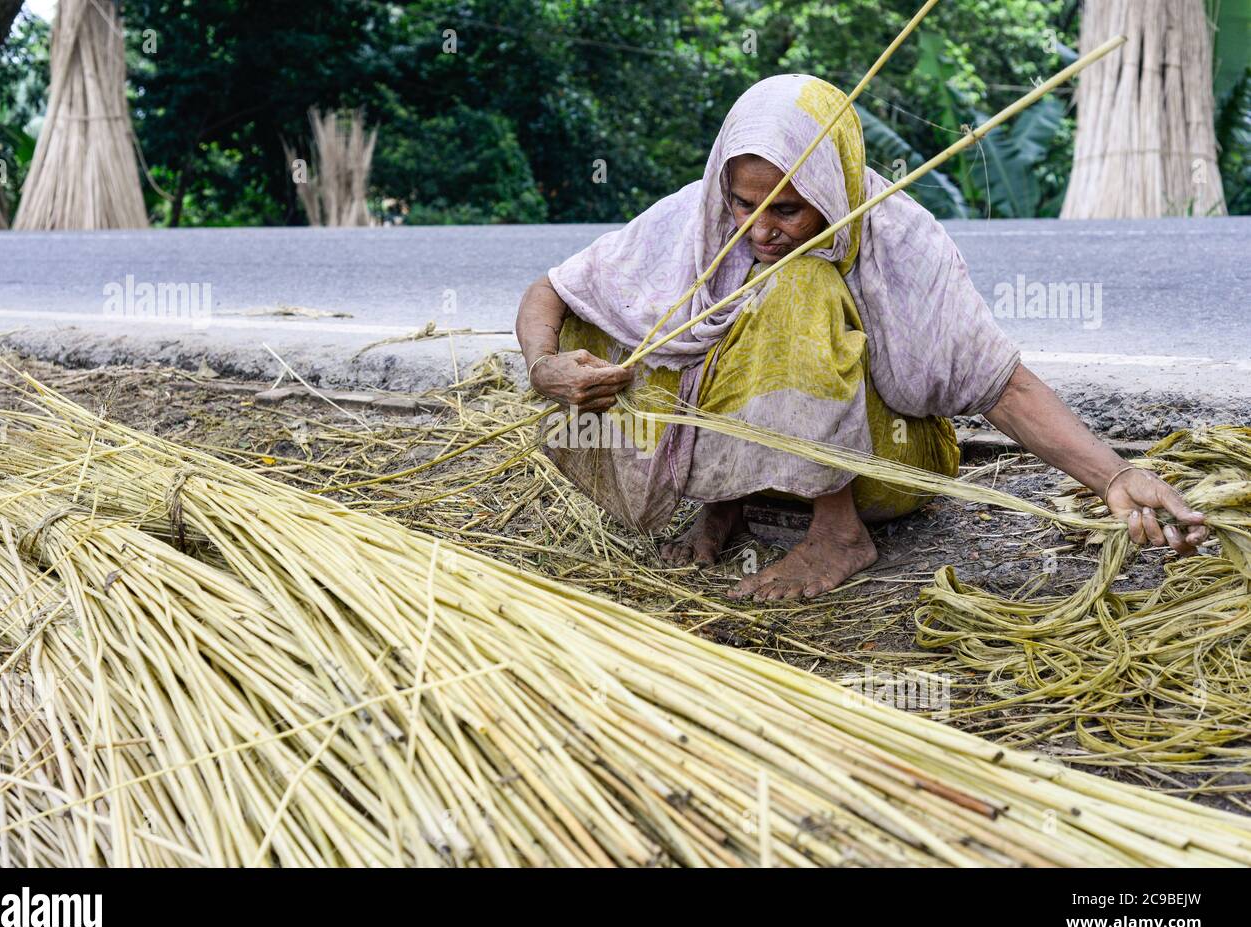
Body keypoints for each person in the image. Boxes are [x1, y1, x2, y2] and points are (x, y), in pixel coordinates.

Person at [515, 74, 1206, 603]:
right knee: (638, 326)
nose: (759, 230)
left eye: (786, 206)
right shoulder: (696, 220)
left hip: (886, 465)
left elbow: (1005, 386)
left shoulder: (900, 238)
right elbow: (551, 289)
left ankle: (837, 532)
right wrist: (545, 367)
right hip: (759, 469)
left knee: (797, 286)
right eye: (743, 204)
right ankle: (726, 500)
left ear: (830, 182)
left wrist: (1115, 474)